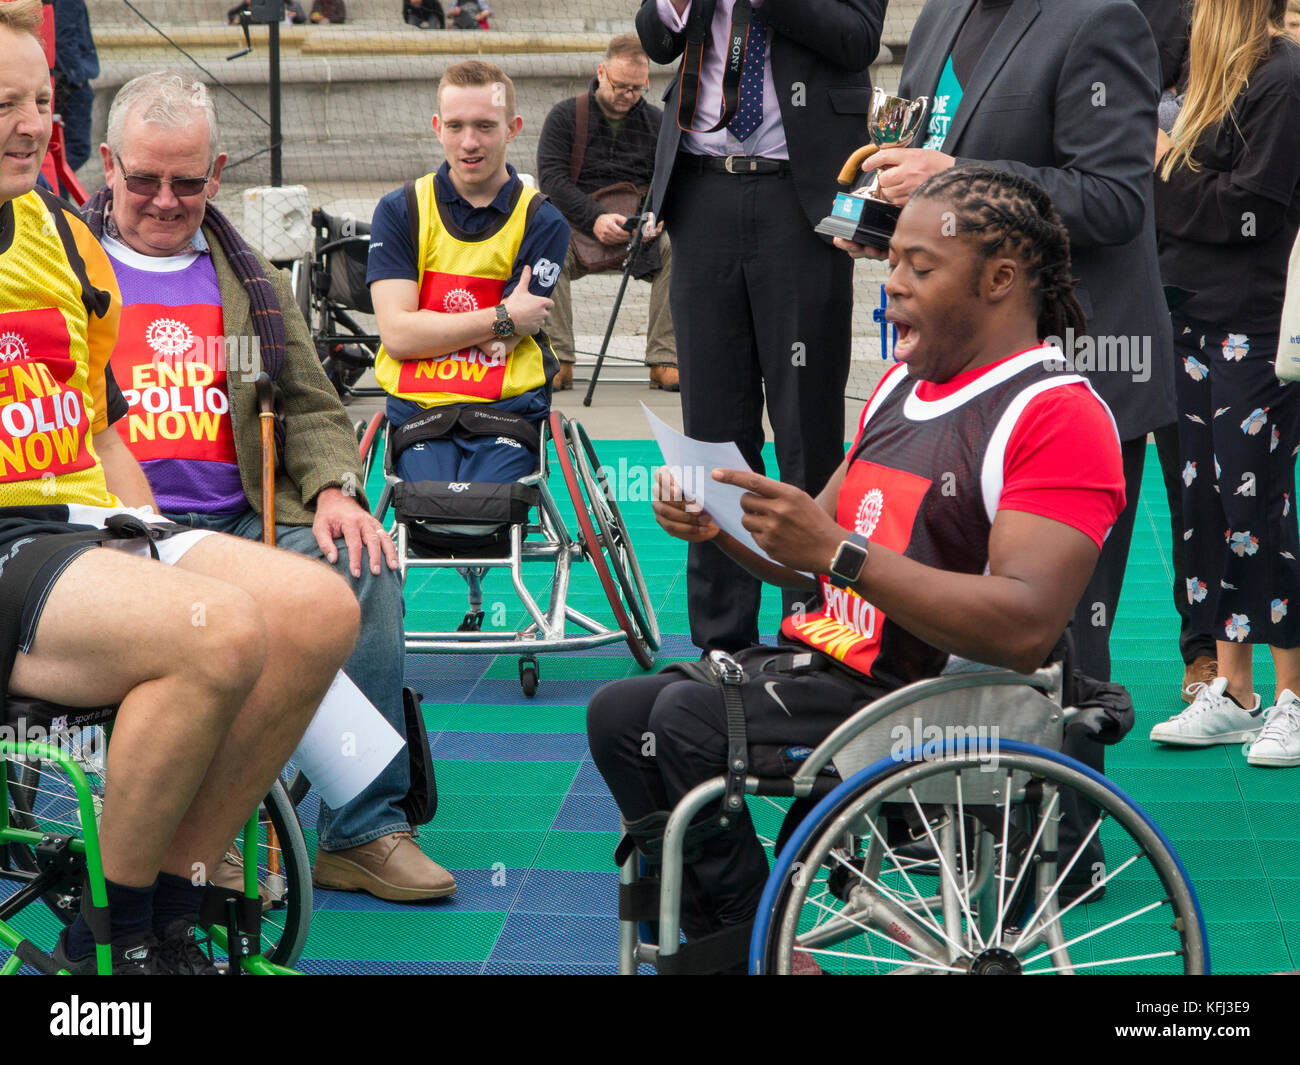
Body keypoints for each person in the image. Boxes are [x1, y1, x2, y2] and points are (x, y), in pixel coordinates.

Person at [588, 164, 1125, 964]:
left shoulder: (1057, 413)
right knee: (619, 714)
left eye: (920, 265)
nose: (893, 283)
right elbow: (813, 566)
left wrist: (835, 550)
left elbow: (1024, 624)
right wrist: (720, 530)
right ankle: (747, 941)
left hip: (938, 699)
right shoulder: (900, 388)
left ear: (1001, 279)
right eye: (891, 262)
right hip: (842, 673)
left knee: (680, 724)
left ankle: (752, 949)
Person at [0, 0, 358, 974]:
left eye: (39, 101)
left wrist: (148, 541)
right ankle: (107, 941)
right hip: (10, 542)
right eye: (3, 104)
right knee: (223, 630)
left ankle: (178, 896)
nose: (30, 123)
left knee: (321, 608)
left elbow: (105, 433)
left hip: (92, 521)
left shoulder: (60, 244)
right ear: (113, 172)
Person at [84, 70, 458, 902]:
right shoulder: (66, 267)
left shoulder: (241, 275)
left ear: (218, 175)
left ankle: (363, 828)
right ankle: (198, 833)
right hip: (113, 532)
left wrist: (332, 488)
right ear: (107, 164)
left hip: (244, 519)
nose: (166, 199)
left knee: (361, 565)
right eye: (144, 179)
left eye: (188, 180)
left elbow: (309, 404)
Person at [835, 0, 1174, 884]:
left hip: (1073, 371)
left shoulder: (1101, 20)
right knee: (926, 595)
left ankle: (1062, 842)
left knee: (1058, 628)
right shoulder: (944, 13)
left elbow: (1115, 199)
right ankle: (937, 809)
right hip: (951, 372)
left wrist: (958, 173)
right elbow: (927, 166)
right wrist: (886, 220)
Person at [635, 0, 886, 655]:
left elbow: (858, 37)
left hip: (801, 197)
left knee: (808, 430)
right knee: (713, 433)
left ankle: (815, 632)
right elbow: (656, 39)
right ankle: (723, 646)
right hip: (701, 189)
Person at [1148, 0, 1300, 768]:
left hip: (1254, 324)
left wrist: (1165, 168)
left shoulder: (1283, 74)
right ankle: (1235, 694)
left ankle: (1293, 698)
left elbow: (1252, 208)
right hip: (1189, 316)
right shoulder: (1209, 73)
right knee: (1204, 502)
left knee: (1257, 500)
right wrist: (1178, 174)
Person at [368, 60, 569, 486]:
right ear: (437, 127)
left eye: (485, 126)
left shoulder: (544, 221)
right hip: (418, 407)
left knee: (486, 503)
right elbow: (398, 337)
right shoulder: (400, 209)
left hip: (506, 408)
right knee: (432, 500)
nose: (469, 142)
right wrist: (502, 316)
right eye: (456, 126)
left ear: (513, 128)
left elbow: (504, 346)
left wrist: (427, 327)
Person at [537, 33, 679, 393]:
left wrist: (656, 216)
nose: (627, 95)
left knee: (678, 250)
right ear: (601, 72)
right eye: (619, 86)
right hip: (577, 228)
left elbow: (669, 180)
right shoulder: (564, 116)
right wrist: (595, 218)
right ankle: (559, 359)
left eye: (636, 88)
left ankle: (665, 359)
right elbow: (552, 179)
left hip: (639, 233)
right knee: (545, 251)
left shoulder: (658, 122)